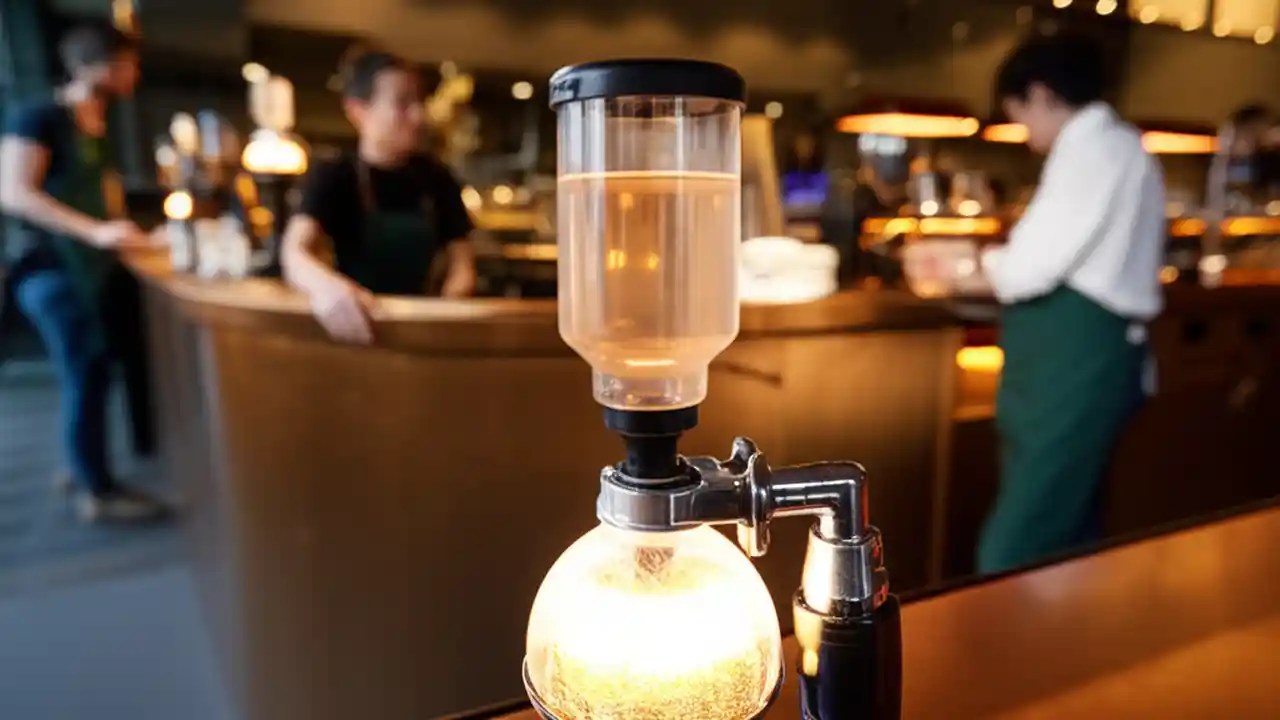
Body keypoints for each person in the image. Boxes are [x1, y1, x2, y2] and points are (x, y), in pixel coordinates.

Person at [976, 34, 1165, 573]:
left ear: (1039, 94)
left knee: (1015, 545)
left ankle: (1007, 654)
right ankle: (1062, 654)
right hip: (1089, 358)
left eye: (1019, 115)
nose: (1027, 135)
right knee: (1069, 536)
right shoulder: (1121, 145)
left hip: (1075, 363)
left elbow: (1026, 271)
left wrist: (980, 264)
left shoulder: (1093, 150)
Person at [0, 22, 165, 522]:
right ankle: (97, 491)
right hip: (49, 271)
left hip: (89, 272)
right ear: (101, 65)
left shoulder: (99, 120)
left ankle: (80, 465)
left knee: (92, 374)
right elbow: (13, 192)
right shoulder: (39, 116)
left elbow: (102, 200)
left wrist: (128, 233)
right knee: (85, 374)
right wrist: (94, 233)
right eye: (129, 64)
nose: (134, 74)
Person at [282, 49, 476, 344]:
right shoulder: (335, 174)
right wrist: (326, 289)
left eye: (418, 101)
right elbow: (294, 253)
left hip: (421, 331)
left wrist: (446, 309)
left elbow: (463, 265)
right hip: (352, 329)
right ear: (358, 110)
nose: (418, 115)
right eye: (402, 103)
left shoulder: (438, 177)